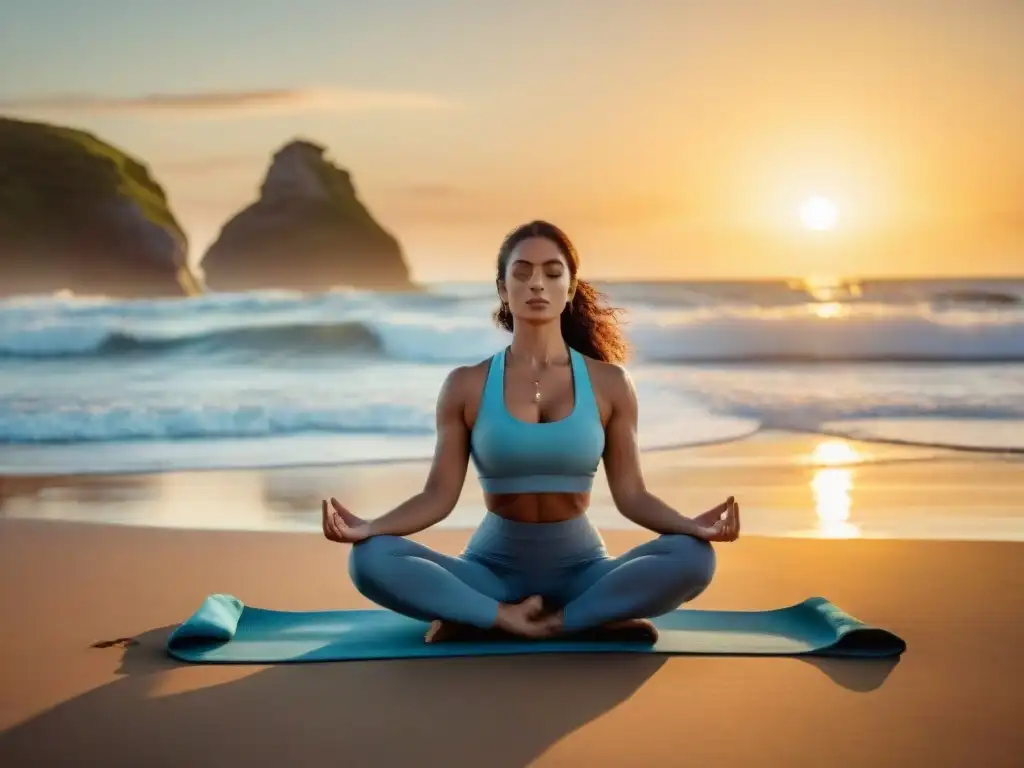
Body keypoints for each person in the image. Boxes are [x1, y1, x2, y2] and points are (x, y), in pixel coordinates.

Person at [322, 220, 741, 643]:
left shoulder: (610, 383)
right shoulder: (466, 384)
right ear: (503, 289)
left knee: (693, 558)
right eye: (521, 272)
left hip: (583, 572)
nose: (536, 284)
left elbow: (632, 496)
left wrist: (690, 526)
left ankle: (538, 618)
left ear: (571, 287)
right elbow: (438, 497)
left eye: (552, 273)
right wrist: (370, 528)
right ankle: (520, 615)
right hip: (488, 574)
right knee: (369, 559)